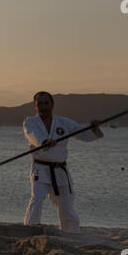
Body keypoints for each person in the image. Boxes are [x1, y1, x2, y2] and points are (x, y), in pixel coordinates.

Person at [21, 91, 102, 233]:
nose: (43, 106)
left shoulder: (64, 122)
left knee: (66, 204)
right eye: (39, 103)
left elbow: (83, 134)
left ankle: (71, 232)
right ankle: (29, 230)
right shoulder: (30, 122)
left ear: (52, 105)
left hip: (60, 170)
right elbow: (32, 134)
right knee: (37, 199)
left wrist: (94, 128)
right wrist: (44, 142)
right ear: (35, 105)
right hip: (40, 167)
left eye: (46, 103)